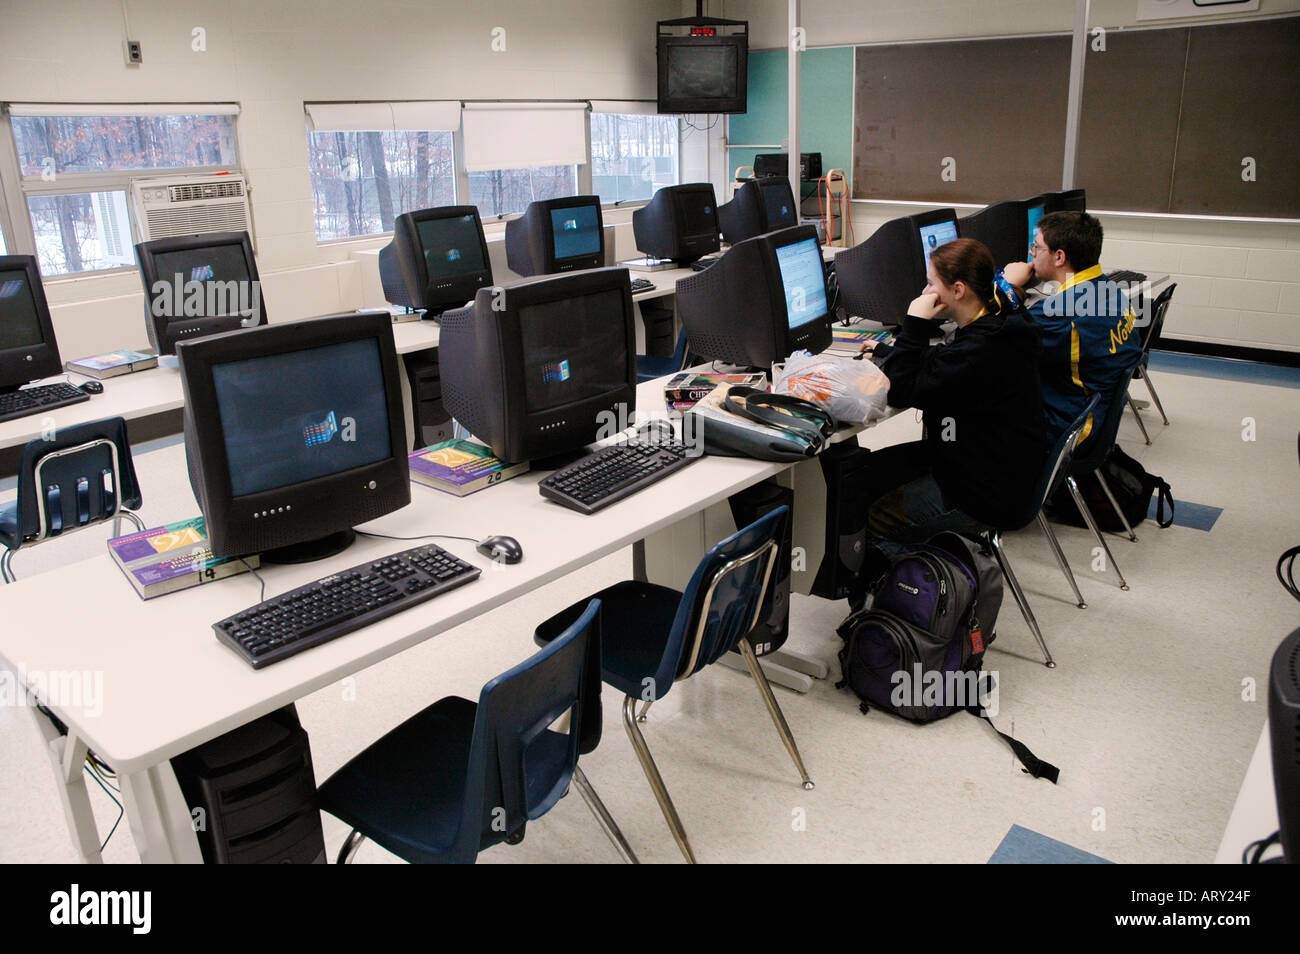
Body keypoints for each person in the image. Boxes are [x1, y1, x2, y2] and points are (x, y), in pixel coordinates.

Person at [864, 238, 1049, 556]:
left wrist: (915, 324)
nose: (925, 292)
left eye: (930, 283)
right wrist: (889, 351)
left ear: (959, 290)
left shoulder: (981, 348)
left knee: (867, 519)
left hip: (982, 493)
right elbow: (948, 364)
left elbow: (899, 389)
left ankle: (906, 595)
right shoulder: (1002, 326)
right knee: (860, 473)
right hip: (997, 470)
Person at [1002, 211, 1140, 448]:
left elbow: (998, 345)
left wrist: (1008, 286)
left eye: (1036, 247)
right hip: (1094, 415)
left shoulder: (1058, 315)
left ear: (1059, 257)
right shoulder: (1112, 291)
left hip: (1066, 430)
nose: (1030, 254)